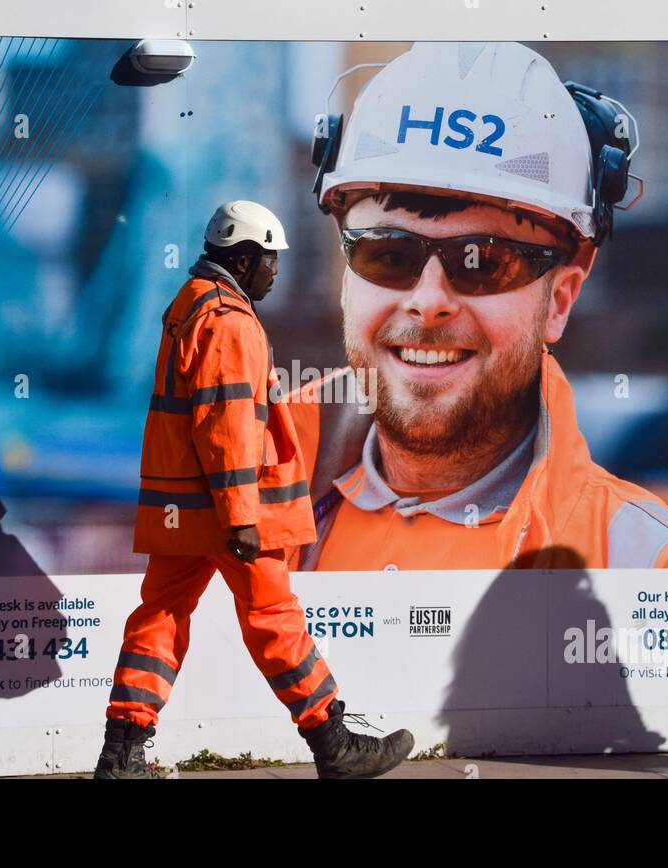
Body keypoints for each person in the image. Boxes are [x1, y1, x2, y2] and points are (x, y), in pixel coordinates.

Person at [285, 42, 668, 571]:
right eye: (389, 254)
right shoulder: (230, 519)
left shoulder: (653, 573)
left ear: (559, 301)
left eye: (483, 263)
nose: (428, 302)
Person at [95, 200, 415, 779]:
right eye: (269, 261)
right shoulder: (231, 323)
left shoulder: (189, 306)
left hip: (185, 510)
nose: (275, 272)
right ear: (243, 260)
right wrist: (240, 515)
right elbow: (228, 425)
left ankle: (122, 753)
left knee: (160, 615)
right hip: (229, 510)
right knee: (273, 616)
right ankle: (333, 744)